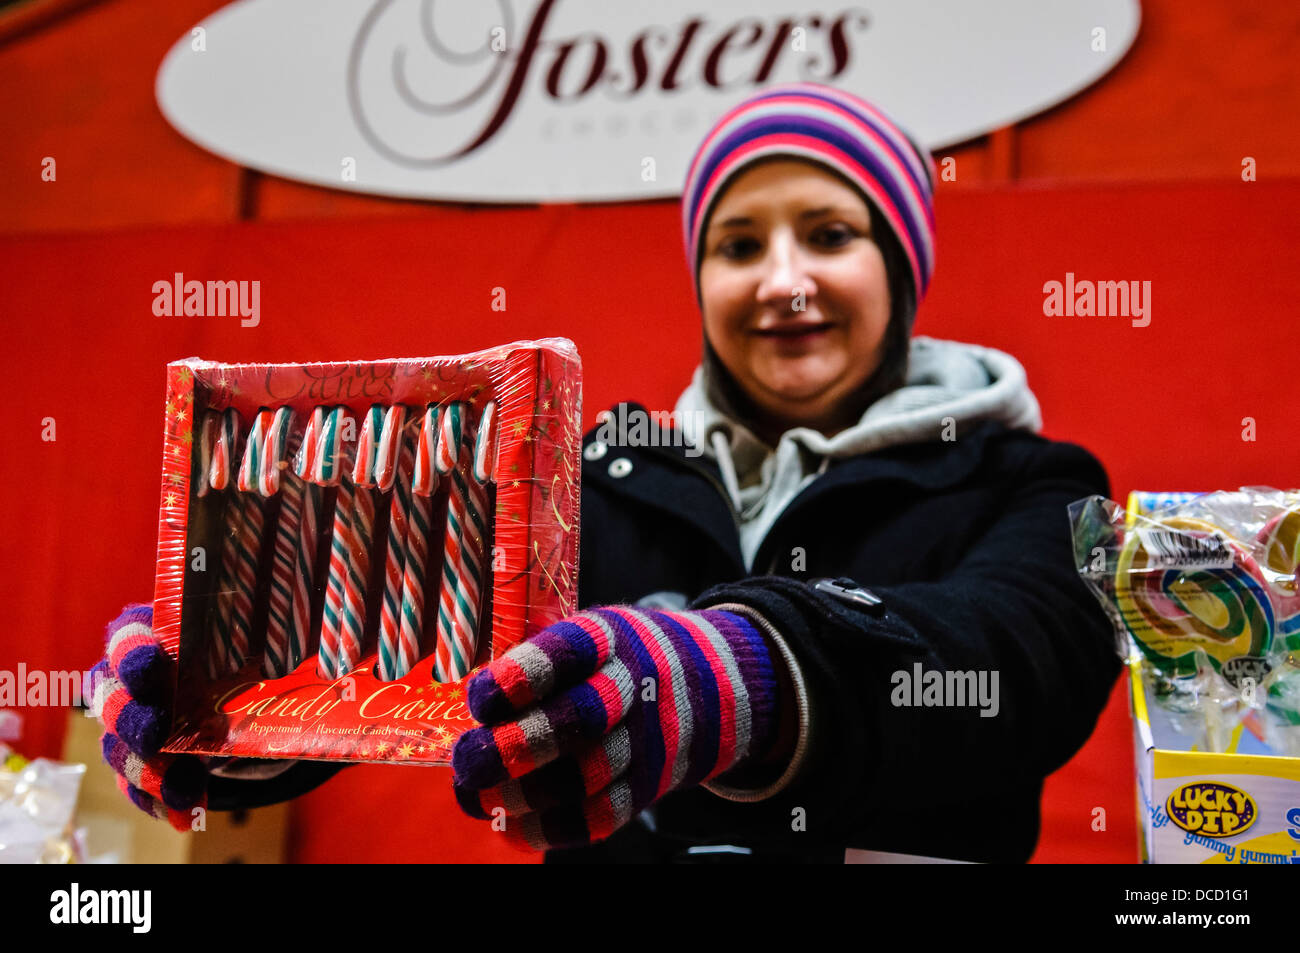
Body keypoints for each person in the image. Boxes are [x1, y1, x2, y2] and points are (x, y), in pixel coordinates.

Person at [89, 82, 1121, 864]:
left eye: (831, 234)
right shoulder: (588, 483)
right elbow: (434, 668)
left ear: (901, 268)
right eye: (736, 243)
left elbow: (1022, 662)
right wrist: (233, 699)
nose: (783, 279)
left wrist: (739, 675)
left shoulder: (1029, 479)